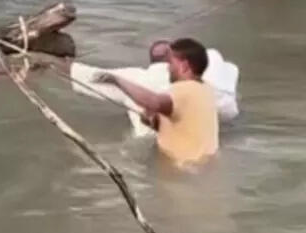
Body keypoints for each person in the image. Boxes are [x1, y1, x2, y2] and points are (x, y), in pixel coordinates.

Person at [68, 40, 240, 136]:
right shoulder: (204, 81)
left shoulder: (135, 77)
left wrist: (117, 80)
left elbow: (80, 75)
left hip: (150, 146)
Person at [94, 37, 219, 166]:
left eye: (170, 63)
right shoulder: (205, 89)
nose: (168, 68)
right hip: (202, 166)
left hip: (182, 169)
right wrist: (154, 123)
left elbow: (154, 102)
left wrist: (117, 81)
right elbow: (185, 124)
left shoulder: (184, 89)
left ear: (184, 66)